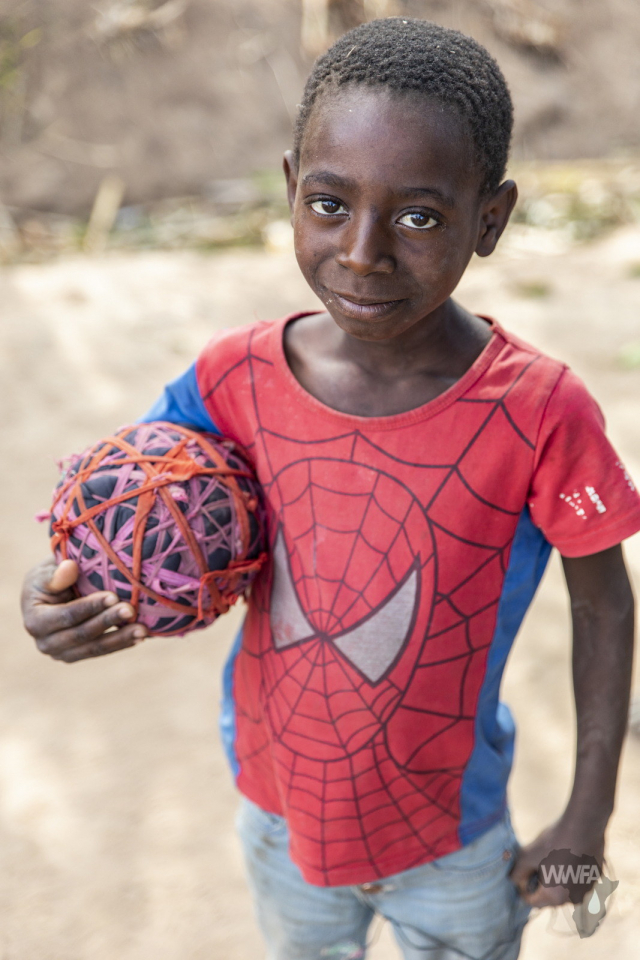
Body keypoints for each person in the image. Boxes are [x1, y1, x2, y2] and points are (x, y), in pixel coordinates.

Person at [20, 18, 640, 960]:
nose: (363, 253)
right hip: (277, 816)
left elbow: (603, 605)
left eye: (420, 217)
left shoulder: (543, 410)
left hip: (458, 839)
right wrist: (62, 595)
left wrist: (587, 817)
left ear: (492, 219)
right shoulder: (229, 378)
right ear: (287, 191)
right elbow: (127, 518)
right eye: (328, 204)